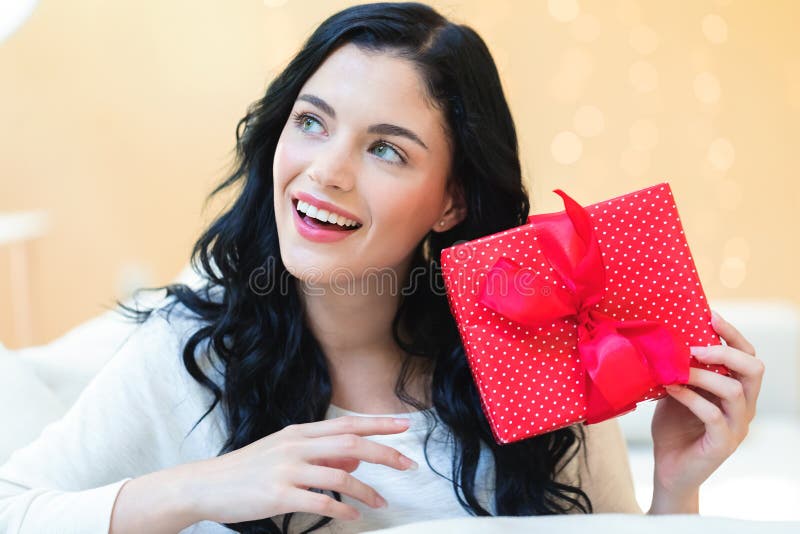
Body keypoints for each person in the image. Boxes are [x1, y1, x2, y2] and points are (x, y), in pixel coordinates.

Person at [0, 2, 764, 533]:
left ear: (452, 201)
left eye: (387, 149)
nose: (324, 172)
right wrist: (199, 487)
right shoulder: (192, 355)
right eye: (311, 123)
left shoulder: (539, 352)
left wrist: (678, 487)